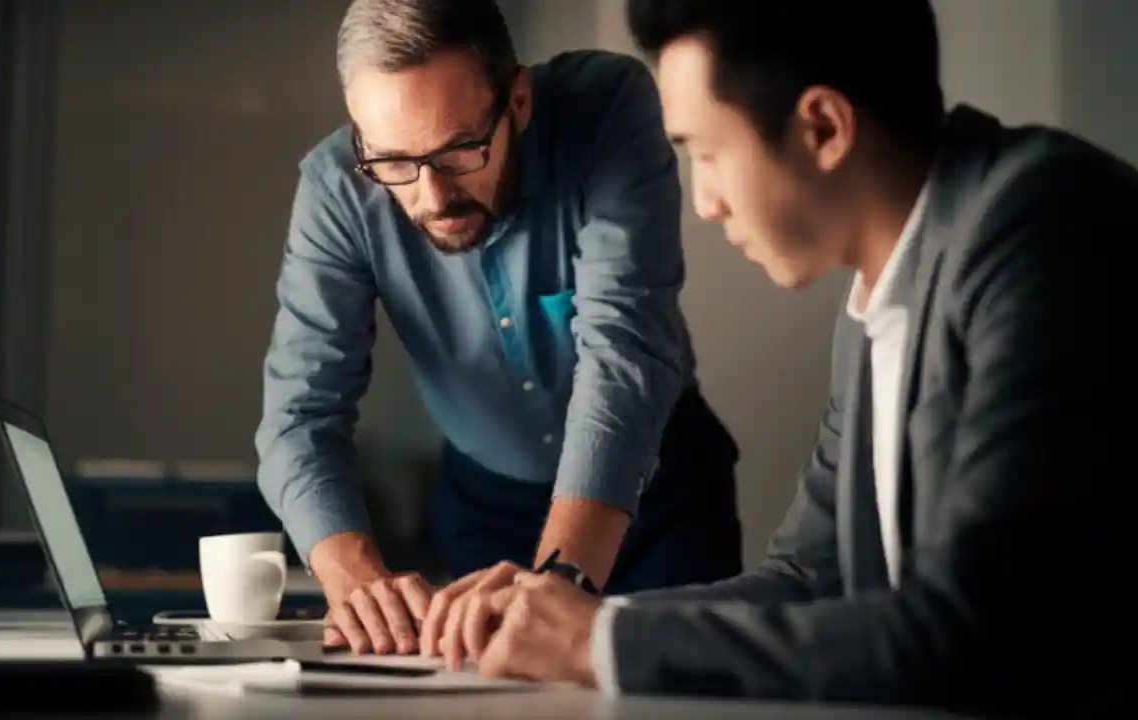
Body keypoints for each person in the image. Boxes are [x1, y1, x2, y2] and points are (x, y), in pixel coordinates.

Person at [443, 0, 1129, 713]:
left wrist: (600, 647)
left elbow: (979, 628)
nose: (704, 202)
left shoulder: (1044, 228)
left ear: (823, 127)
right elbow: (808, 577)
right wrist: (575, 621)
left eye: (705, 154)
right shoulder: (879, 296)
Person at [254, 0, 742, 658]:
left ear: (516, 101)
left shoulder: (608, 111)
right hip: (485, 509)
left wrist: (561, 579)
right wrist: (355, 580)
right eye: (392, 161)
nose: (430, 197)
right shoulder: (336, 188)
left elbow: (624, 355)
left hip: (658, 498)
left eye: (459, 151)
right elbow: (300, 410)